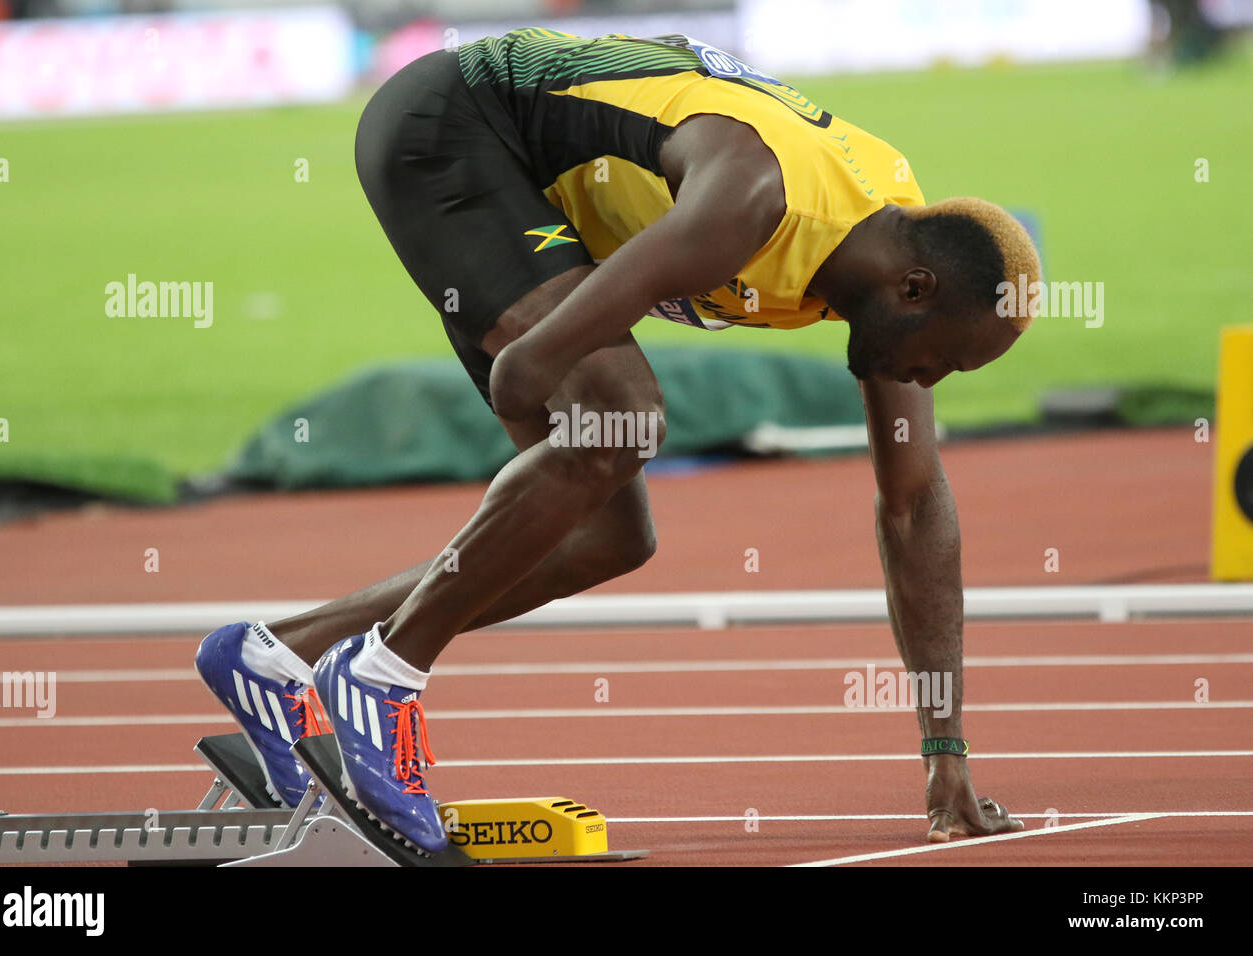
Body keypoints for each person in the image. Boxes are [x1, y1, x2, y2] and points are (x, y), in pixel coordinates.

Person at [195, 28, 1040, 854]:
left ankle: (279, 657)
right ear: (917, 288)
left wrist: (945, 751)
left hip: (536, 190)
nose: (931, 383)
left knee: (609, 534)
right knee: (621, 421)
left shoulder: (888, 262)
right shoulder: (753, 200)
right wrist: (545, 411)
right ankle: (381, 679)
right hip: (456, 124)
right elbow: (524, 370)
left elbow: (915, 505)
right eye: (949, 359)